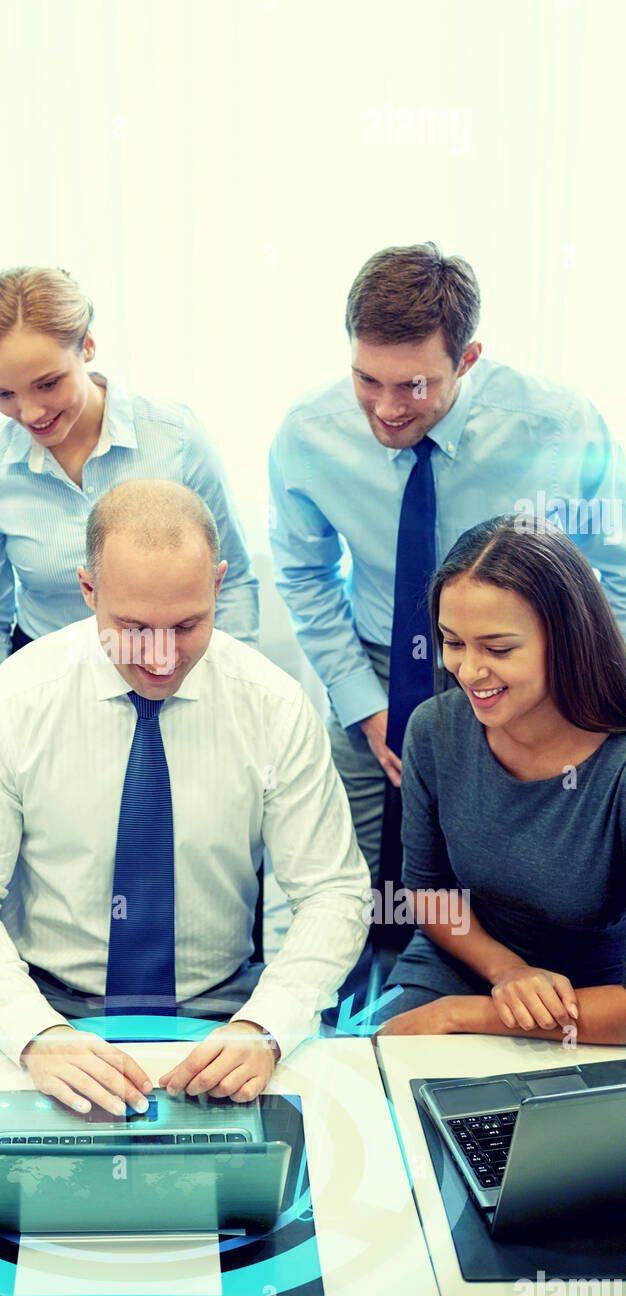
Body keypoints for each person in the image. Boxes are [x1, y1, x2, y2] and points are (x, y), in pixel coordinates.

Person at [0, 479, 368, 1114]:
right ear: (87, 590)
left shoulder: (273, 706)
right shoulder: (10, 703)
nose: (160, 657)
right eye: (132, 627)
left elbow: (333, 891)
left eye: (187, 625)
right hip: (46, 1007)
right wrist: (35, 1032)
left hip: (225, 1012)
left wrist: (267, 1024)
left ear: (218, 586)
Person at [268, 242, 626, 885]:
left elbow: (620, 567)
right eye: (366, 380)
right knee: (349, 883)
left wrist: (584, 689)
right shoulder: (308, 433)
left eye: (414, 384)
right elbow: (303, 573)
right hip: (377, 667)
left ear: (468, 359)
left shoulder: (555, 426)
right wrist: (364, 705)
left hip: (529, 673)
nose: (387, 407)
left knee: (502, 877)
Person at [377, 516, 626, 1043]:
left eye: (498, 648)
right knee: (381, 1069)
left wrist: (465, 1015)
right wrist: (507, 973)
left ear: (567, 639)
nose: (468, 671)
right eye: (453, 642)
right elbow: (429, 893)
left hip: (602, 995)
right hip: (466, 959)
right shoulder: (434, 730)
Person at [0, 266, 259, 691]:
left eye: (47, 384)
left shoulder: (177, 439)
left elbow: (235, 583)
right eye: (3, 394)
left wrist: (230, 691)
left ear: (88, 347)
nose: (30, 413)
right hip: (48, 684)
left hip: (171, 670)